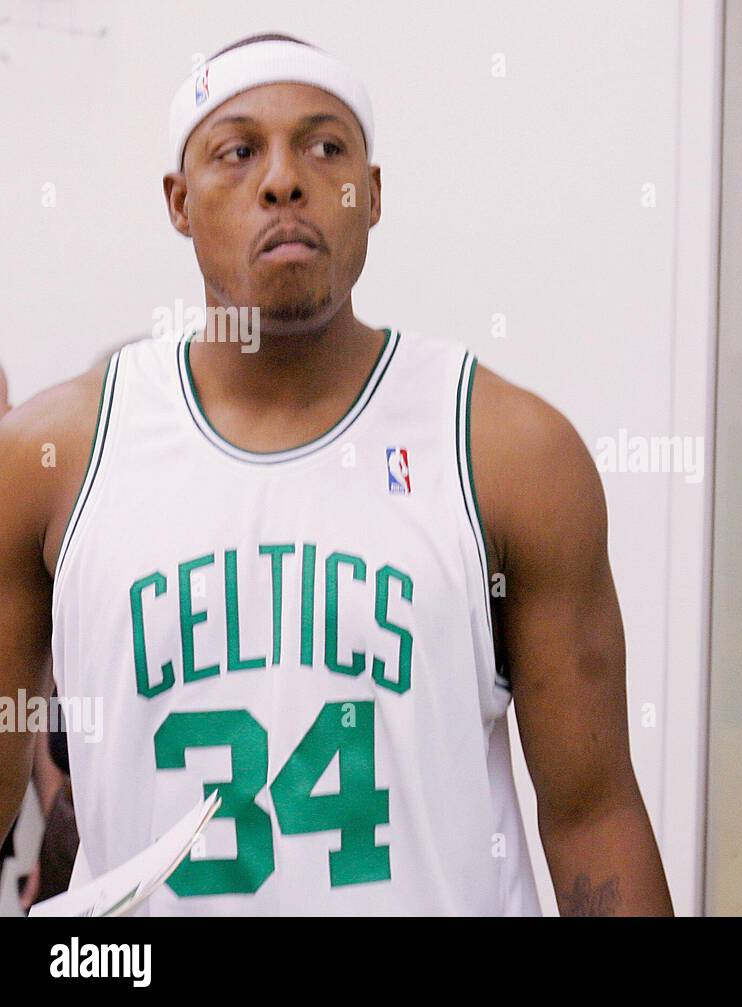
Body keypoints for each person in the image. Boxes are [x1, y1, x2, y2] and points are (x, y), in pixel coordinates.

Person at [0, 32, 671, 915]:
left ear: (374, 194)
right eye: (237, 152)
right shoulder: (52, 456)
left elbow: (593, 814)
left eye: (324, 147)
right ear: (178, 201)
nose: (284, 180)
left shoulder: (511, 451)